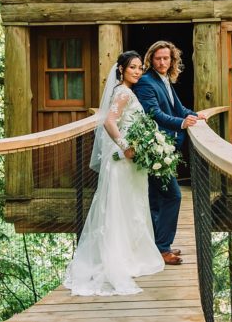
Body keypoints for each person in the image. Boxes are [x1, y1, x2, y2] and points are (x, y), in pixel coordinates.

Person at [64, 51, 164, 296]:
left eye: (140, 67)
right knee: (121, 206)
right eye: (132, 67)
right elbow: (110, 122)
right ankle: (119, 258)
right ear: (121, 69)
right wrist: (125, 146)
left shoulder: (128, 92)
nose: (138, 71)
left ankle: (131, 253)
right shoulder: (122, 92)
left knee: (132, 206)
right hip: (123, 161)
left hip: (132, 162)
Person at [133, 41, 206, 266]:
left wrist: (195, 115)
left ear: (172, 60)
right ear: (150, 60)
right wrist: (182, 123)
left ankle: (158, 246)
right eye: (158, 59)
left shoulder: (164, 80)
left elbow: (177, 107)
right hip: (157, 148)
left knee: (157, 199)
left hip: (166, 147)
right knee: (173, 196)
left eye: (166, 58)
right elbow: (154, 114)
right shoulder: (146, 81)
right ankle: (163, 250)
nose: (163, 62)